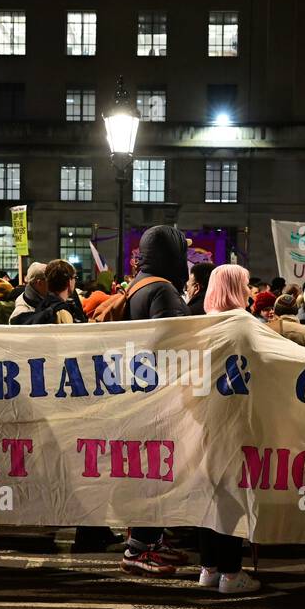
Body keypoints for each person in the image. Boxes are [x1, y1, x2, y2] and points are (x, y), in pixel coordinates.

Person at [120, 225, 193, 576]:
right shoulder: (162, 289)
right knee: (155, 471)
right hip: (160, 398)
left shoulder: (138, 284)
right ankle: (141, 549)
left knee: (148, 469)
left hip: (138, 395)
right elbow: (174, 345)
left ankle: (149, 540)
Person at [196, 265, 261, 594]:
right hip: (236, 423)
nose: (250, 290)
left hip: (203, 423)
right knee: (234, 494)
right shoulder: (245, 327)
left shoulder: (201, 327)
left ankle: (208, 567)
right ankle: (232, 575)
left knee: (210, 494)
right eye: (246, 284)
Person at [23, 260, 87, 324]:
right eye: (75, 277)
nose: (75, 281)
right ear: (69, 282)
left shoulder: (42, 304)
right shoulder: (62, 313)